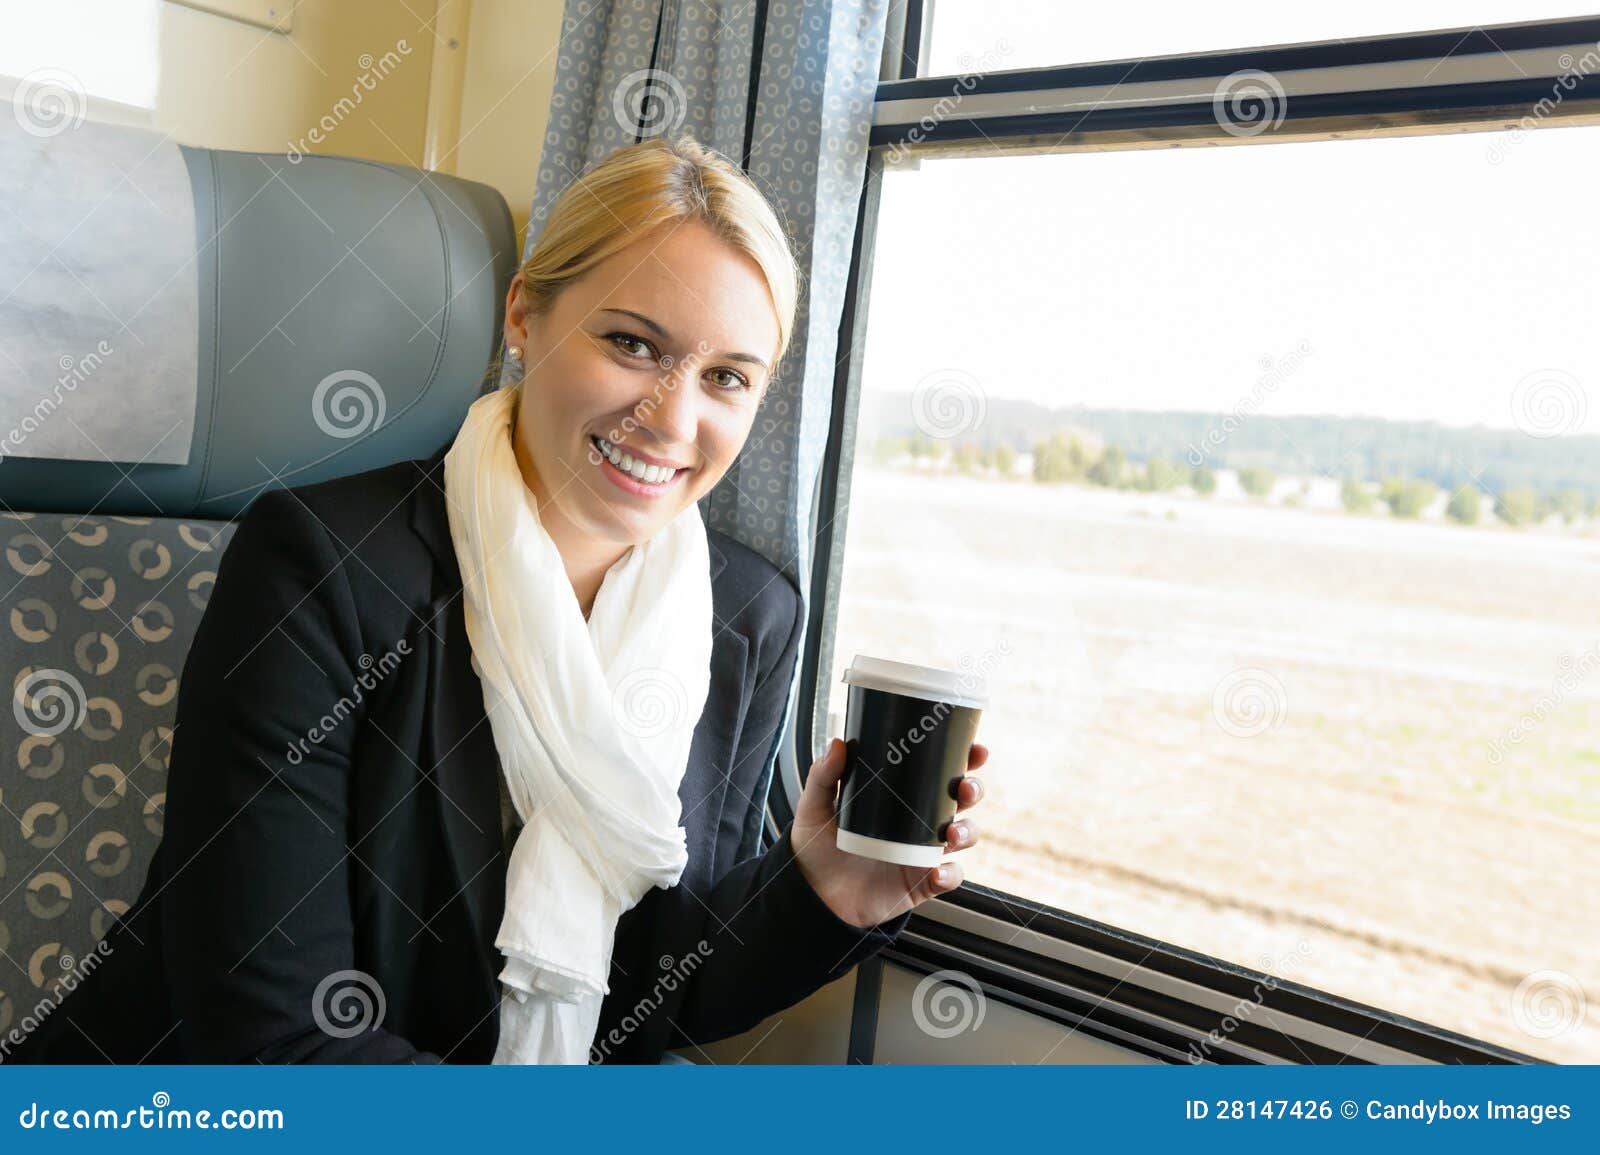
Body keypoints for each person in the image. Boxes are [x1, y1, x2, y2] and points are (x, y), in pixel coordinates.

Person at [3, 134, 988, 1065]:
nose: (672, 417)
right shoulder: (318, 564)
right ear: (524, 317)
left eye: (727, 377)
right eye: (634, 344)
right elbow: (270, 1036)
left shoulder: (744, 618)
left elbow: (651, 993)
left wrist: (829, 889)